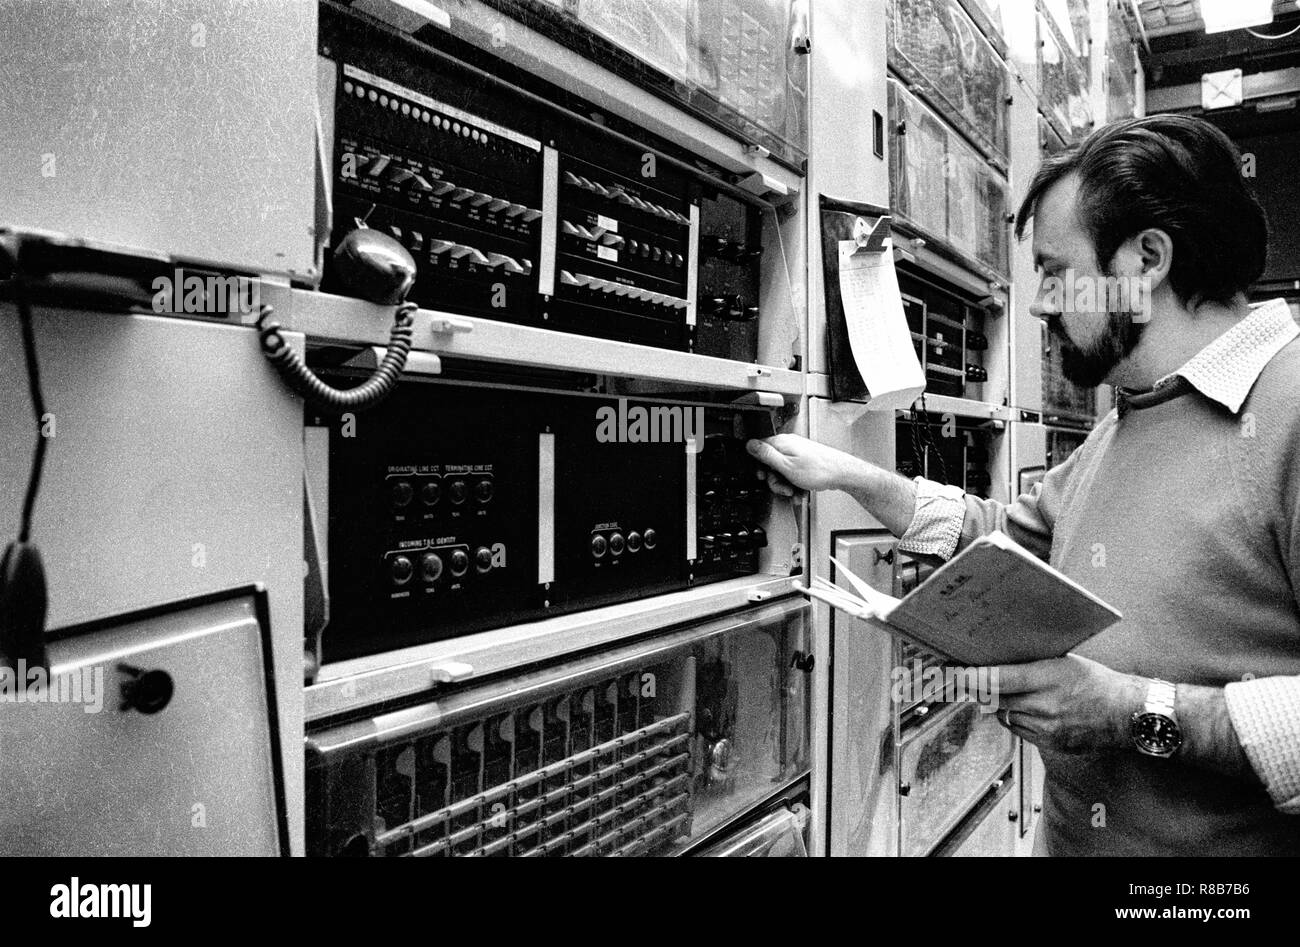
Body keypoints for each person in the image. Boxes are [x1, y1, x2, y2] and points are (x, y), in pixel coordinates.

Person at [748, 114, 1300, 855]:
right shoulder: (1134, 414)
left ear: (1147, 260)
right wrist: (851, 476)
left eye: (1053, 271)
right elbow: (1004, 537)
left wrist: (1132, 711)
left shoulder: (1289, 407)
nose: (1037, 305)